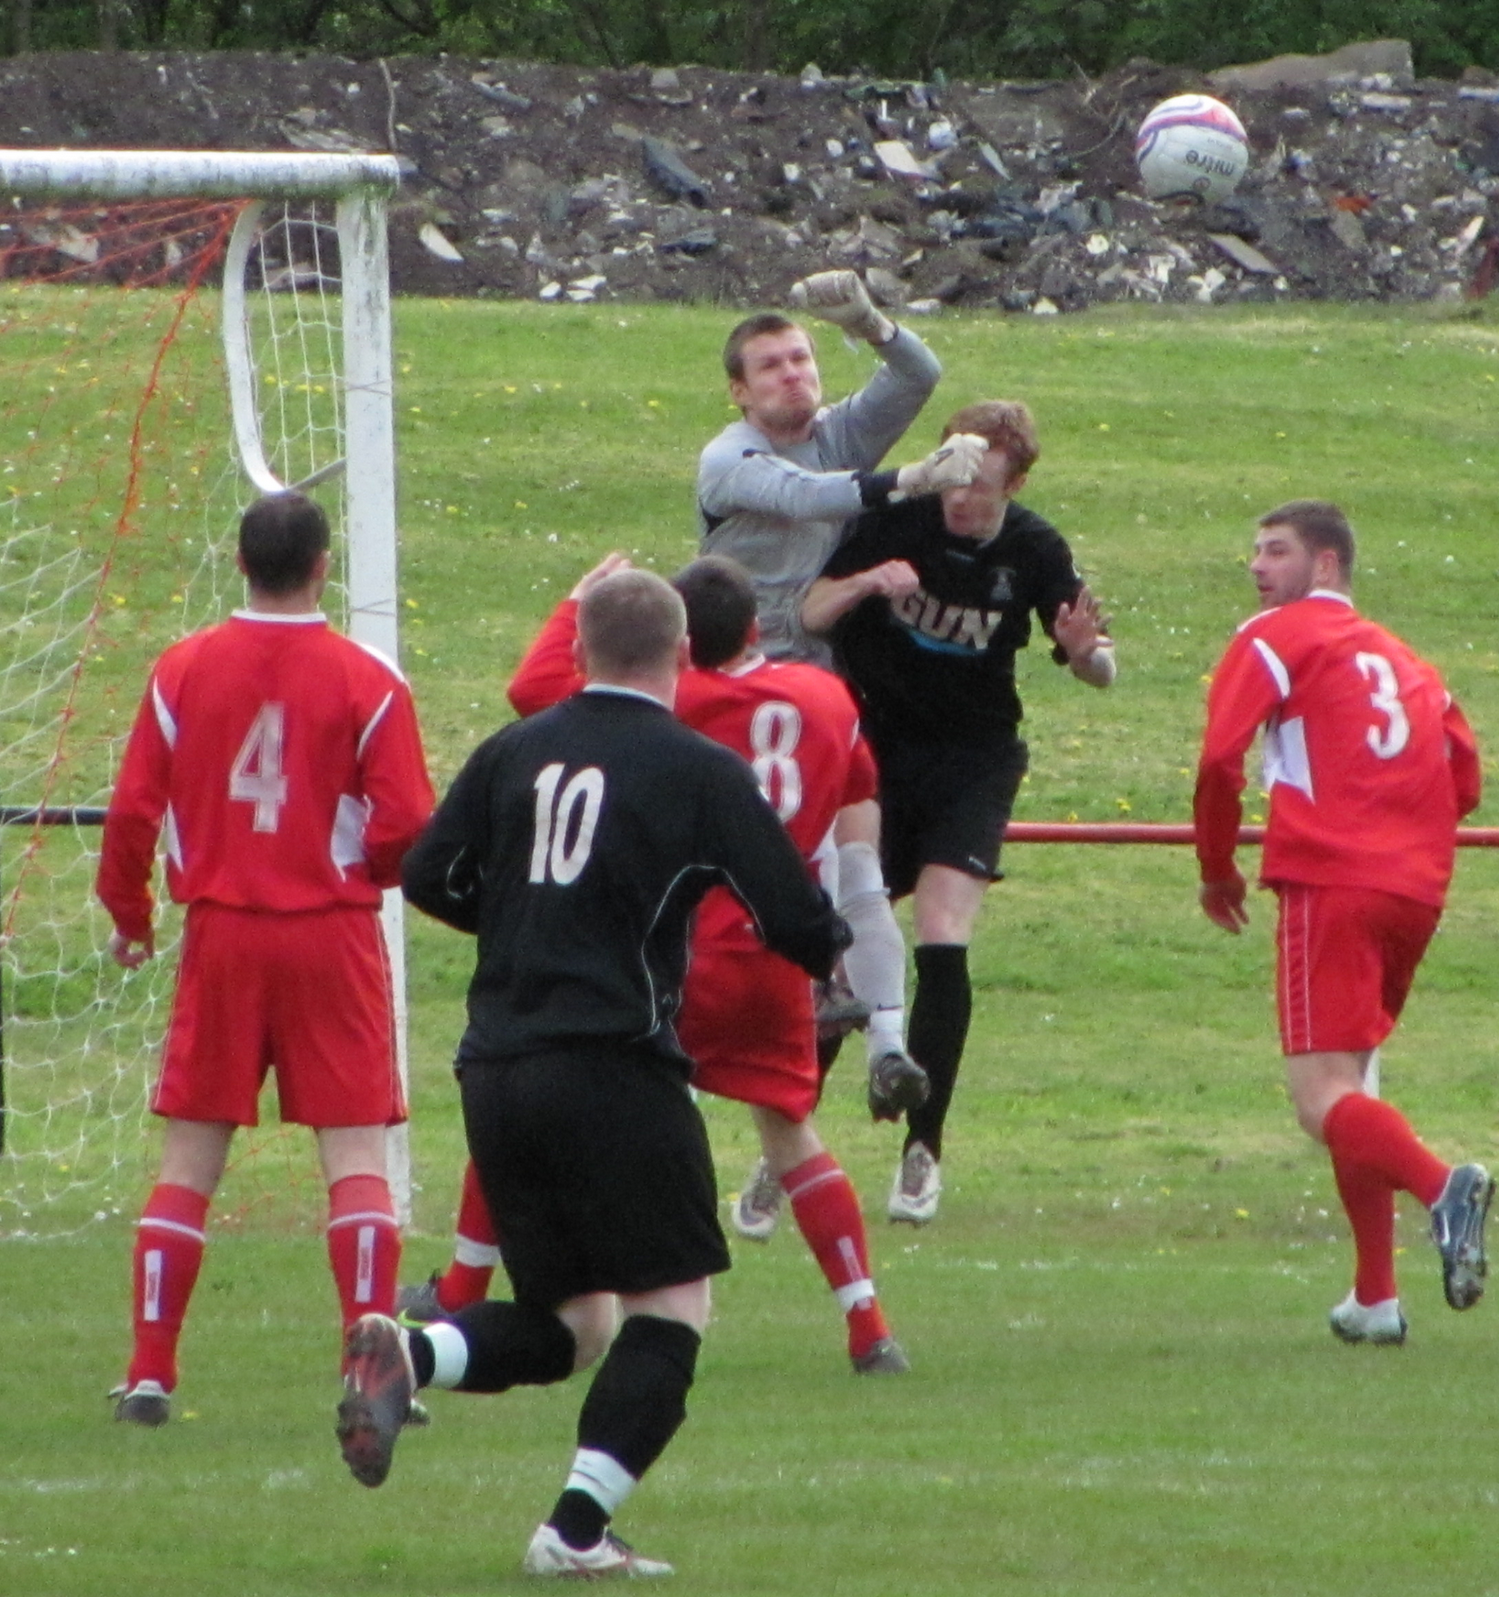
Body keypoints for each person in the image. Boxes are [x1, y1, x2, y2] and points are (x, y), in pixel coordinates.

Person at [338, 568, 849, 1579]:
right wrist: (844, 963)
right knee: (672, 1309)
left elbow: (430, 869)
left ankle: (413, 1353)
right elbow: (789, 911)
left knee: (572, 1325)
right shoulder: (696, 767)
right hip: (612, 1064)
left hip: (497, 1066)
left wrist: (530, 923)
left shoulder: (514, 749)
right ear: (683, 658)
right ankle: (573, 1531)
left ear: (578, 654)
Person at [402, 553, 910, 1375]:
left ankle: (463, 1284)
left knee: (545, 1092)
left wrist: (577, 605)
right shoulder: (827, 696)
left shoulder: (662, 705)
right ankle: (867, 1321)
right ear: (753, 628)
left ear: (680, 650)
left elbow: (538, 694)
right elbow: (858, 798)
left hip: (653, 950)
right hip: (769, 954)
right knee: (790, 1134)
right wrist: (843, 962)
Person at [94, 491, 434, 1426]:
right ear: (324, 564)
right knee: (356, 1150)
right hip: (330, 932)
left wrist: (130, 912)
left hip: (222, 933)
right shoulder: (368, 678)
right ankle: (368, 1374)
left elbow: (131, 811)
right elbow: (408, 826)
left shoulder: (182, 669)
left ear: (240, 562)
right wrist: (369, 869)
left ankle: (152, 1371)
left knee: (191, 1153)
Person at [700, 269, 980, 1195]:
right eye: (771, 365)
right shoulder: (729, 459)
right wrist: (913, 478)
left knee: (856, 857)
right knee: (767, 867)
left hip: (815, 684)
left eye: (803, 357)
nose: (794, 374)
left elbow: (917, 375)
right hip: (728, 683)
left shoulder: (834, 432)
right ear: (739, 390)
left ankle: (888, 1047)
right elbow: (814, 500)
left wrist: (869, 320)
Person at [801, 400, 1116, 1224]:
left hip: (974, 759)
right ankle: (789, 1137)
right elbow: (809, 612)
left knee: (944, 927)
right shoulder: (899, 518)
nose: (962, 499)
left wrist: (1087, 655)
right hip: (875, 750)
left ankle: (921, 1149)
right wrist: (870, 579)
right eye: (954, 477)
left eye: (982, 485)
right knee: (842, 936)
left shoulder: (1034, 547)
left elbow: (1098, 664)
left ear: (1015, 483)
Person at [1193, 499, 1493, 1346]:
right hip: (1417, 887)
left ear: (1326, 565)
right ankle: (1375, 1296)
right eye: (1253, 551)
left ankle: (1445, 1188)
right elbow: (1464, 775)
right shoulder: (1409, 660)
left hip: (1332, 876)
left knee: (1318, 1094)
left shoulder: (1275, 637)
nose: (1257, 567)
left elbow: (1221, 757)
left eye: (1276, 551)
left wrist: (1216, 865)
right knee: (1355, 1084)